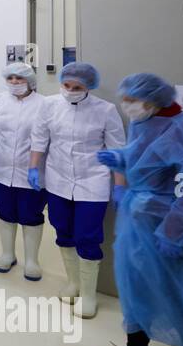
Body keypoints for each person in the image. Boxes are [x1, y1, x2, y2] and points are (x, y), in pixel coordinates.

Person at [94, 73, 183, 346]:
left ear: (150, 102)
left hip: (169, 228)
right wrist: (120, 159)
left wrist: (173, 233)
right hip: (137, 223)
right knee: (133, 286)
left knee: (177, 294)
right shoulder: (145, 123)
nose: (127, 106)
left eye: (131, 101)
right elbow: (145, 158)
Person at [29, 62, 125, 317]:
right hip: (58, 179)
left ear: (89, 87)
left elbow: (117, 151)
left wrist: (119, 187)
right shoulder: (49, 105)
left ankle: (89, 295)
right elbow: (39, 139)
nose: (70, 90)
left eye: (77, 87)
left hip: (92, 182)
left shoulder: (105, 110)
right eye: (66, 85)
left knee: (88, 236)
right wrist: (33, 168)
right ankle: (73, 283)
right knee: (62, 229)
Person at [0, 62, 46, 281]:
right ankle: (7, 254)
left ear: (30, 81)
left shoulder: (45, 104)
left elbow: (47, 138)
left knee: (30, 214)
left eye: (19, 78)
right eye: (10, 78)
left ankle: (32, 261)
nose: (14, 82)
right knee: (5, 212)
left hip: (32, 172)